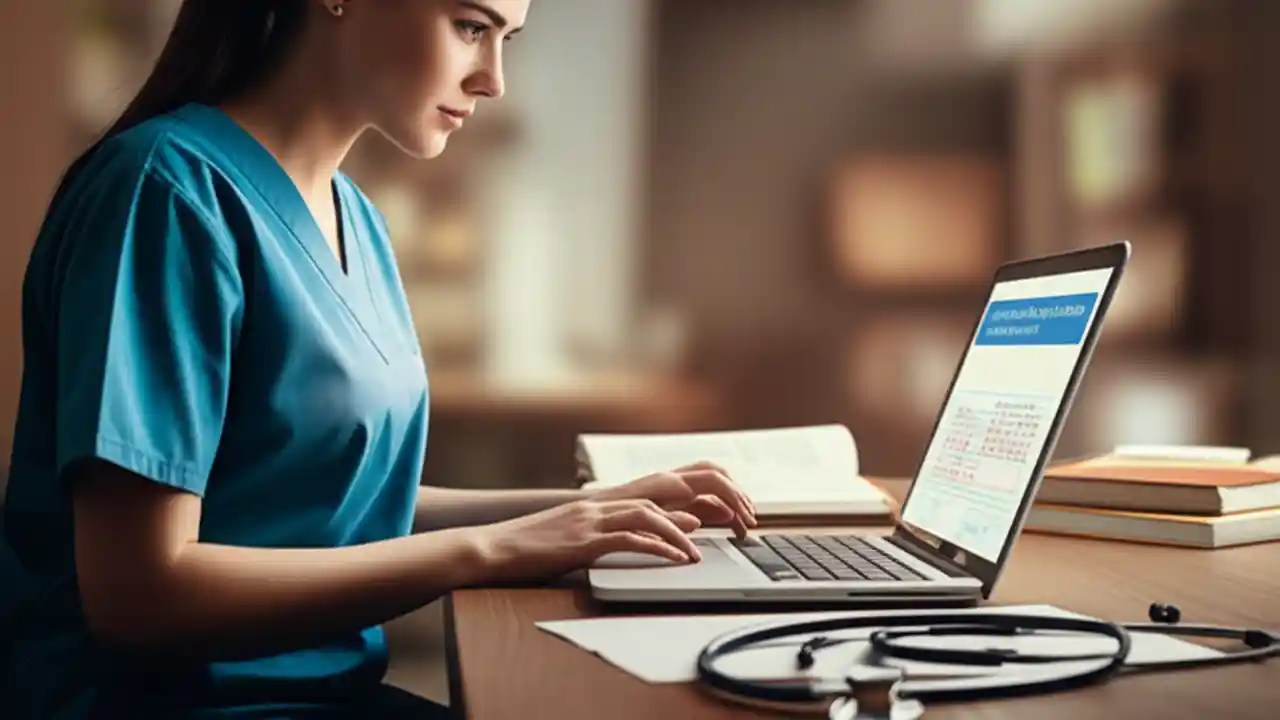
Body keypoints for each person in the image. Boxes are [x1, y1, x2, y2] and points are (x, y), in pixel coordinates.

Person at [0, 1, 758, 717]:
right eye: (469, 27)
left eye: (507, 40)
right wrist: (492, 550)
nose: (494, 79)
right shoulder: (165, 193)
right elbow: (140, 594)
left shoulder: (352, 214)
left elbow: (336, 499)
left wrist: (588, 511)